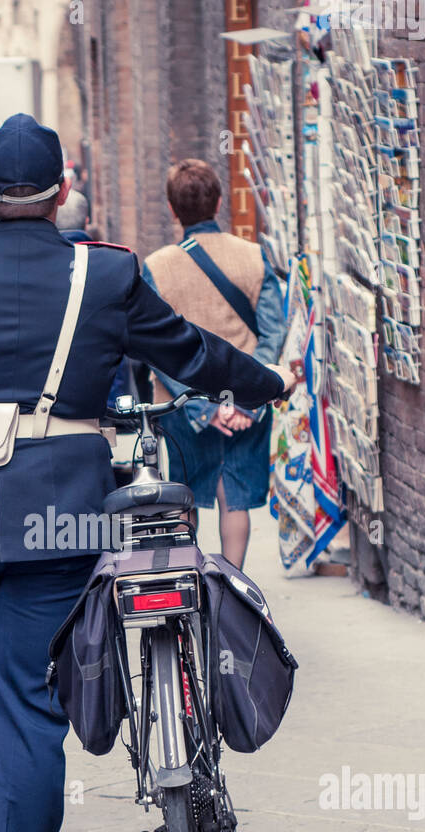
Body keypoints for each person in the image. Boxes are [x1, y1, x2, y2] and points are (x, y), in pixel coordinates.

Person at [0, 113, 294, 832]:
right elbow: (188, 352)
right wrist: (262, 382)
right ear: (63, 193)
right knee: (28, 700)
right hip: (59, 509)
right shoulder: (104, 275)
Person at [142, 159, 288, 569]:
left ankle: (189, 588)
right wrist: (243, 400)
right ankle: (232, 592)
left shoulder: (156, 266)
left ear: (171, 209)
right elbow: (272, 334)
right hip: (244, 406)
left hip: (182, 406)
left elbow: (157, 350)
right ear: (220, 202)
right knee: (234, 495)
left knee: (184, 494)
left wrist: (203, 409)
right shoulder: (253, 257)